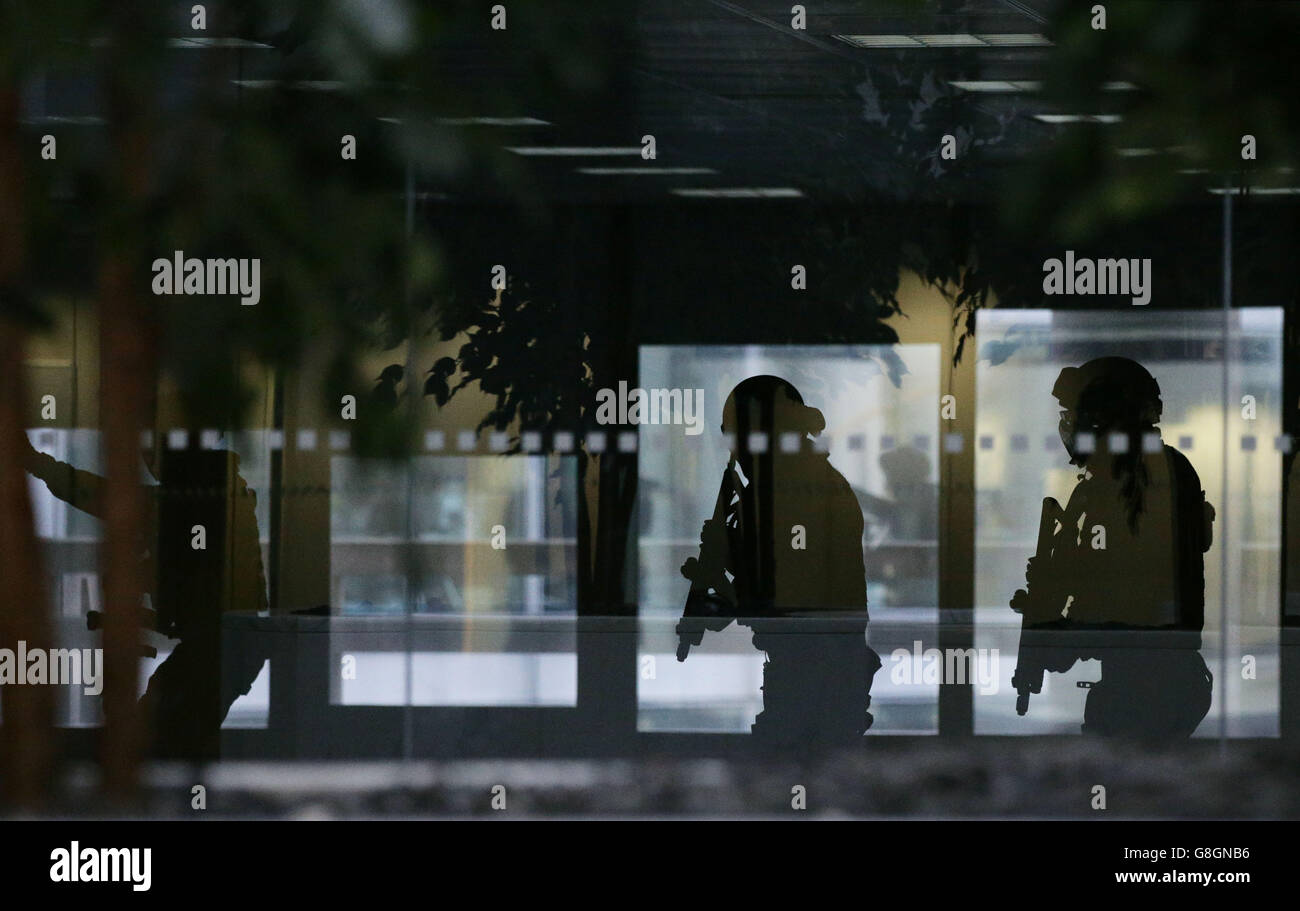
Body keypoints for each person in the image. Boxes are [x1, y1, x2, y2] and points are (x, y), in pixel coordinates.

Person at [22, 431, 267, 758]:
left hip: (217, 652)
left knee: (158, 742)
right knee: (173, 741)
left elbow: (100, 496)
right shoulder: (217, 493)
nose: (150, 464)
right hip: (226, 649)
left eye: (155, 455)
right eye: (146, 455)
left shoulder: (195, 499)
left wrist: (36, 463)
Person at [1011, 357, 1214, 738]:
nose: (1068, 425)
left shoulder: (1122, 484)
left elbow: (1122, 596)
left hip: (1141, 688)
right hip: (1165, 679)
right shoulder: (1166, 469)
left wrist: (1059, 633)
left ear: (1101, 416)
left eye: (1075, 413)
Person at [676, 375, 881, 745]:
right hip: (808, 669)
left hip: (817, 674)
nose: (736, 451)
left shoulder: (797, 490)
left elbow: (783, 590)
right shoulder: (786, 487)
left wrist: (721, 583)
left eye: (742, 437)